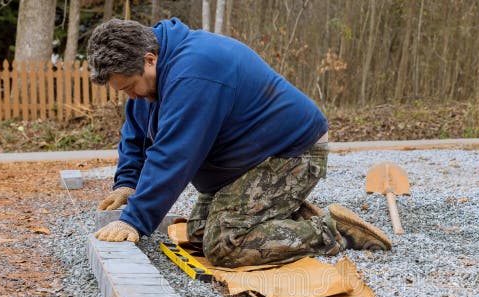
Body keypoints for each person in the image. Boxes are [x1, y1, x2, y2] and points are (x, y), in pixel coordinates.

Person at [88, 18, 391, 267]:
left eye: (129, 87)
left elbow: (173, 155)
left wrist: (135, 221)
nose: (131, 96)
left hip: (292, 153)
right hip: (251, 161)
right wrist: (127, 184)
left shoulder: (194, 73)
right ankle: (285, 213)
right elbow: (136, 130)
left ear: (149, 59)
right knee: (200, 232)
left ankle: (332, 231)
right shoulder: (152, 75)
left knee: (223, 245)